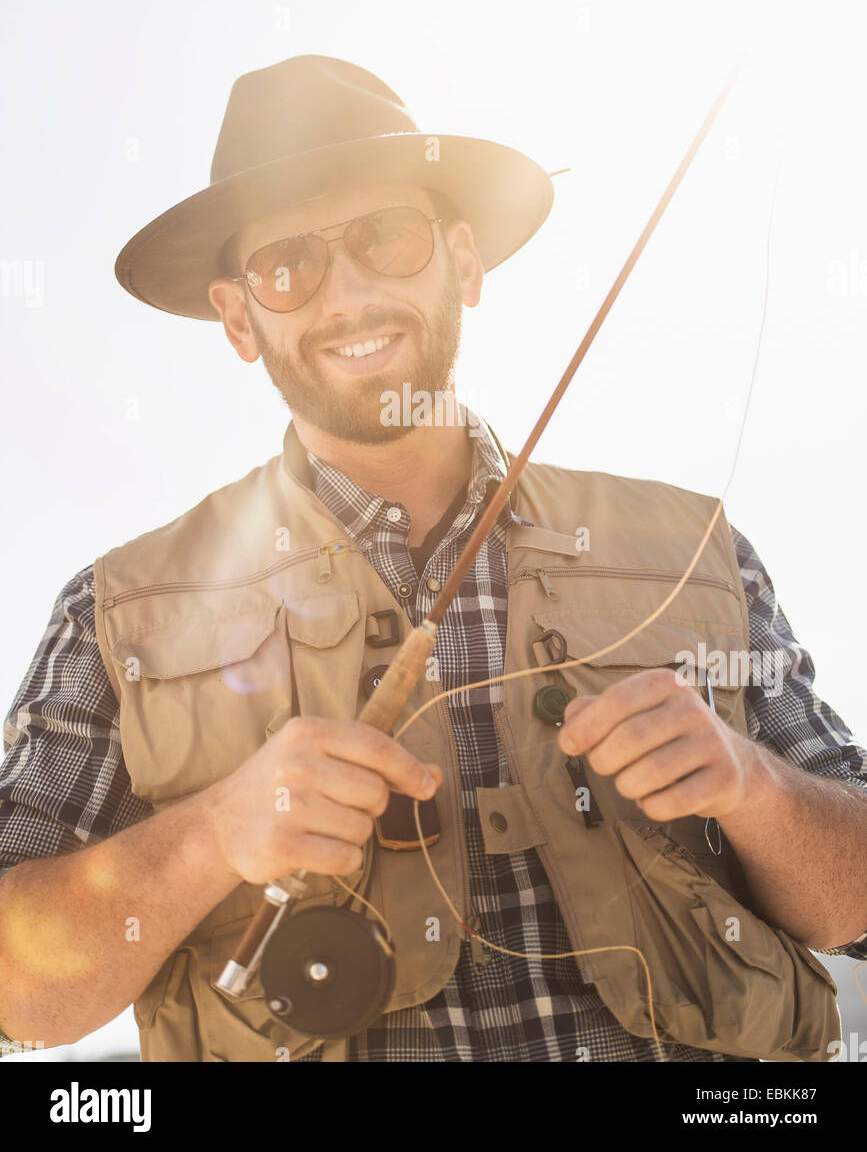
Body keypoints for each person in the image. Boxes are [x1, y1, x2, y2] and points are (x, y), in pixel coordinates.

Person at [0, 55, 865, 1064]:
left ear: (464, 262)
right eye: (289, 266)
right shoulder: (114, 611)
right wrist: (211, 835)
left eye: (388, 239)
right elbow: (19, 994)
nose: (349, 293)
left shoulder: (695, 551)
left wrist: (749, 787)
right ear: (241, 317)